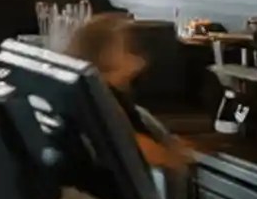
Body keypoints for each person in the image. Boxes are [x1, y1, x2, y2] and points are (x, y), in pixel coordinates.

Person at [66, 14, 187, 170]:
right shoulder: (104, 104)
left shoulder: (88, 95)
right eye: (130, 49)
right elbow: (138, 148)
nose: (141, 58)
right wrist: (175, 157)